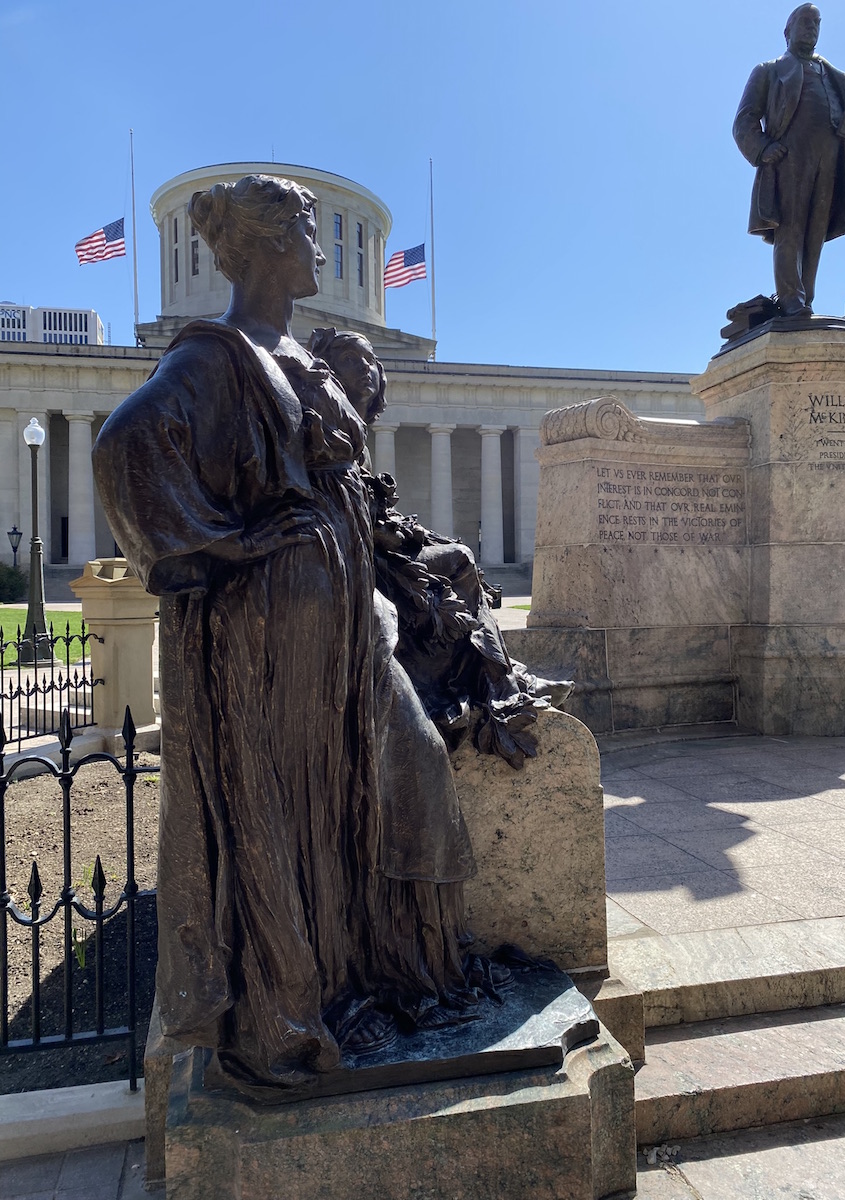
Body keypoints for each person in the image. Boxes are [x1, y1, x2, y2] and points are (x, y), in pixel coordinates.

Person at [92, 176, 490, 1098]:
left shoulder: (293, 353)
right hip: (270, 637)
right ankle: (285, 1015)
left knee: (398, 780)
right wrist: (221, 543)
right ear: (270, 245)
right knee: (284, 818)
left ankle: (387, 976)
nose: (323, 252)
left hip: (340, 628)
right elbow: (125, 445)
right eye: (310, 235)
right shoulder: (215, 353)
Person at [308, 327, 573, 770]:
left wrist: (407, 534)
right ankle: (503, 685)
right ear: (329, 368)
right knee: (461, 561)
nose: (367, 370)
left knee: (455, 556)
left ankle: (503, 680)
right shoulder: (328, 430)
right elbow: (345, 515)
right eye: (353, 359)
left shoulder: (354, 435)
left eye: (371, 360)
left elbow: (368, 513)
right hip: (350, 562)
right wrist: (399, 537)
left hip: (369, 554)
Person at [733, 4, 845, 317]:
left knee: (816, 233)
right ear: (787, 32)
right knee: (790, 229)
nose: (812, 27)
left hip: (830, 159)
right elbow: (744, 120)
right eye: (805, 21)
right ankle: (790, 299)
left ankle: (805, 300)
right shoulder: (768, 71)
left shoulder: (834, 75)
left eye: (816, 22)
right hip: (789, 159)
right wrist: (763, 148)